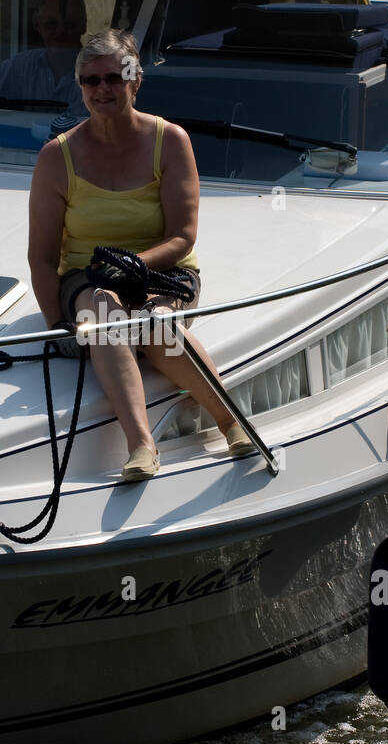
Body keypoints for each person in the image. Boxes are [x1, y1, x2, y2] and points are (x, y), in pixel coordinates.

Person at [27, 28, 257, 482]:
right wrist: (57, 325)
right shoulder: (57, 157)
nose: (102, 90)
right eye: (90, 81)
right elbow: (41, 255)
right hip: (88, 277)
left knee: (156, 324)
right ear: (80, 87)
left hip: (164, 271)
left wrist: (136, 266)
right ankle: (141, 445)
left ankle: (230, 420)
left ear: (135, 81)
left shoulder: (170, 141)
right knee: (105, 311)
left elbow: (183, 236)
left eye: (113, 78)